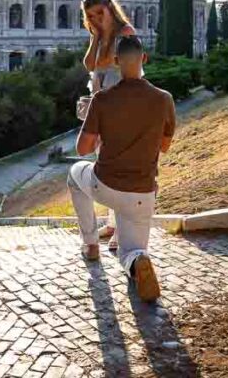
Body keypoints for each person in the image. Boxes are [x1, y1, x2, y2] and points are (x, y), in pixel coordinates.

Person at [68, 34, 175, 302]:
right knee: (132, 251)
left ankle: (91, 243)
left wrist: (94, 122)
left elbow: (83, 149)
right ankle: (137, 260)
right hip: (142, 193)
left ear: (116, 62)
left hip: (105, 186)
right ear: (144, 59)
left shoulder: (102, 100)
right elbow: (164, 147)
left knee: (74, 175)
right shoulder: (164, 100)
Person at [80, 0, 137, 249]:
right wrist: (95, 36)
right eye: (90, 16)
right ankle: (113, 222)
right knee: (105, 166)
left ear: (110, 9)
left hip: (122, 108)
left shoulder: (125, 33)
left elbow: (127, 70)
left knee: (119, 168)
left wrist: (107, 34)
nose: (95, 19)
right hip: (101, 109)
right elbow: (89, 64)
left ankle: (122, 228)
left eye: (99, 13)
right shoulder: (99, 37)